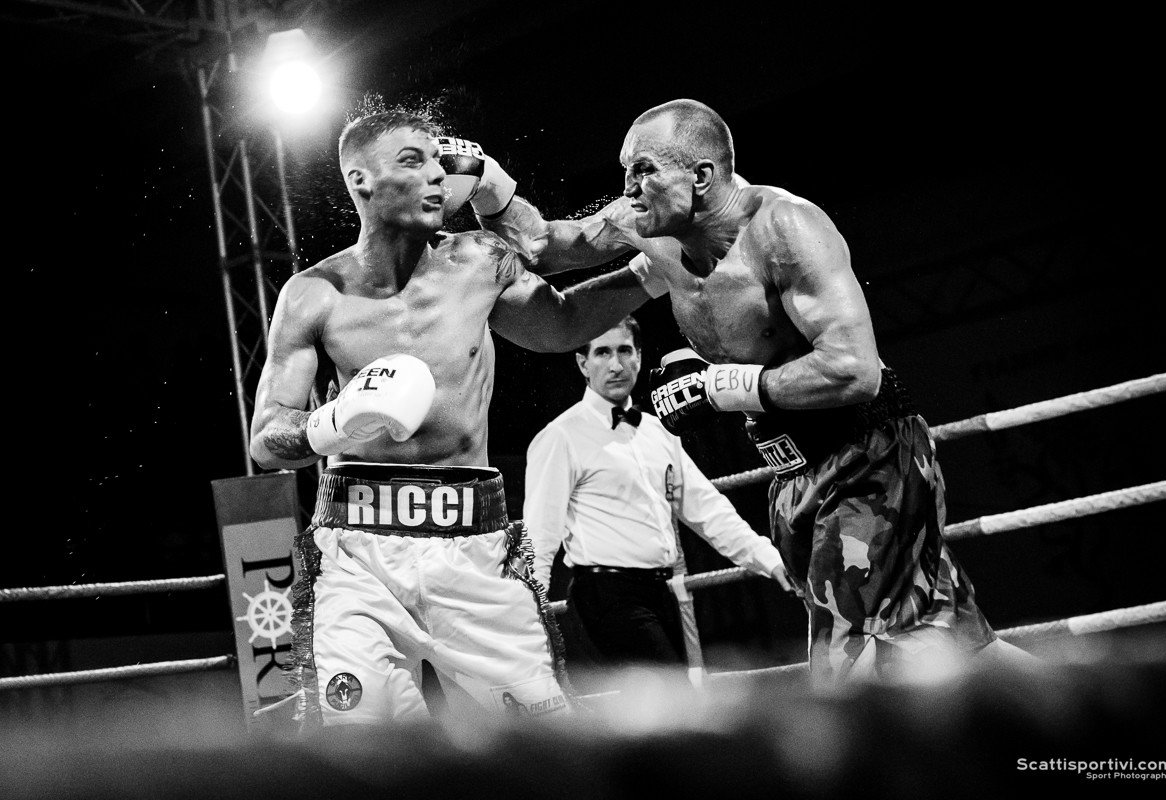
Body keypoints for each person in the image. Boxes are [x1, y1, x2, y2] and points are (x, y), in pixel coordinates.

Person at [480, 99, 1033, 687]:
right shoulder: (653, 233)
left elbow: (853, 369)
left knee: (847, 667)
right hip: (791, 468)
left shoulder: (787, 228)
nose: (629, 188)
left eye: (644, 170)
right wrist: (485, 183)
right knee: (953, 640)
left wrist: (722, 387)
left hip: (867, 457)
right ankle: (1093, 716)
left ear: (701, 176)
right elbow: (542, 246)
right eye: (625, 172)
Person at [248, 107, 653, 727]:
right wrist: (333, 421)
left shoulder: (479, 260)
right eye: (413, 161)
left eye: (440, 162)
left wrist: (649, 276)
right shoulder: (313, 294)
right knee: (361, 748)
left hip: (474, 548)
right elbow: (266, 439)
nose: (437, 176)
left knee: (540, 742)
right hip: (357, 559)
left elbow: (560, 324)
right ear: (360, 181)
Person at [523, 317, 796, 676]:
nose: (616, 364)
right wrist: (528, 620)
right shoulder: (561, 436)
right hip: (605, 595)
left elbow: (707, 509)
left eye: (624, 350)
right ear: (582, 363)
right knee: (670, 701)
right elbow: (539, 537)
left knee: (661, 710)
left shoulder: (659, 431)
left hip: (658, 592)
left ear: (639, 356)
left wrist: (770, 559)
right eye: (602, 352)